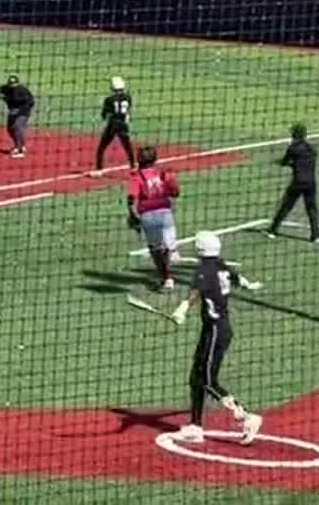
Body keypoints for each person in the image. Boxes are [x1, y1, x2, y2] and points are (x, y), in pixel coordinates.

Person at [167, 231, 264, 445]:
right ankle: (195, 426)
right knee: (196, 376)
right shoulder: (221, 265)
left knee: (208, 379)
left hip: (215, 331)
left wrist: (182, 309)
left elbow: (196, 291)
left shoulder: (205, 269)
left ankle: (246, 416)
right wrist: (249, 285)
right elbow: (238, 278)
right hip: (216, 329)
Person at [126, 146, 181, 292]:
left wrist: (131, 215)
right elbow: (175, 192)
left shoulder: (136, 175)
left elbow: (132, 197)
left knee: (155, 248)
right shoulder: (163, 173)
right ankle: (171, 253)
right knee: (167, 247)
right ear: (155, 159)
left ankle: (166, 278)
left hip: (148, 215)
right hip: (165, 212)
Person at [266, 123, 319, 244]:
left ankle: (272, 230)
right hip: (311, 182)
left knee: (286, 206)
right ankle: (316, 235)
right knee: (312, 208)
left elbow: (286, 161)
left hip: (298, 182)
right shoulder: (311, 148)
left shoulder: (293, 148)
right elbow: (304, 163)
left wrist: (278, 162)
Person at [94, 76, 136, 173]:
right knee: (128, 146)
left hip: (113, 125)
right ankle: (133, 166)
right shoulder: (128, 97)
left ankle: (99, 169)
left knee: (102, 147)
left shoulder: (109, 99)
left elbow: (104, 115)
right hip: (123, 125)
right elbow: (128, 111)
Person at [0, 74, 35, 158]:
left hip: (23, 111)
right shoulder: (6, 88)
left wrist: (19, 111)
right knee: (10, 129)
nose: (13, 86)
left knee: (17, 127)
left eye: (14, 85)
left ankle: (21, 149)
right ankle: (17, 145)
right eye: (11, 85)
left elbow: (30, 101)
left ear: (17, 83)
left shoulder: (22, 91)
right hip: (13, 111)